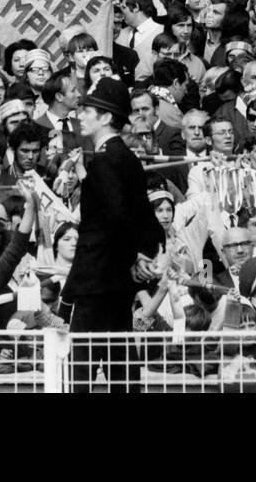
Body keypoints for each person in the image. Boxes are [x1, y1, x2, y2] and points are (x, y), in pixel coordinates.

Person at [61, 77, 165, 392]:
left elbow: (119, 216)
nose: (81, 115)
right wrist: (143, 254)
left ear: (106, 117)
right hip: (118, 280)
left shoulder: (106, 160)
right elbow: (147, 219)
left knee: (80, 369)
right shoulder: (126, 158)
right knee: (121, 364)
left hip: (96, 278)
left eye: (88, 110)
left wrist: (134, 256)